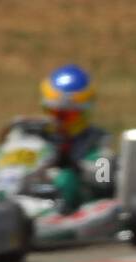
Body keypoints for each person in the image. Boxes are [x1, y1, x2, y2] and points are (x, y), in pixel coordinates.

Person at [28, 64, 116, 212]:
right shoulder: (40, 136)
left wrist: (75, 166)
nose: (58, 120)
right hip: (30, 195)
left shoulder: (98, 144)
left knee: (66, 178)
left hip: (72, 205)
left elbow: (104, 180)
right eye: (53, 112)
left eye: (65, 115)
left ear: (82, 113)